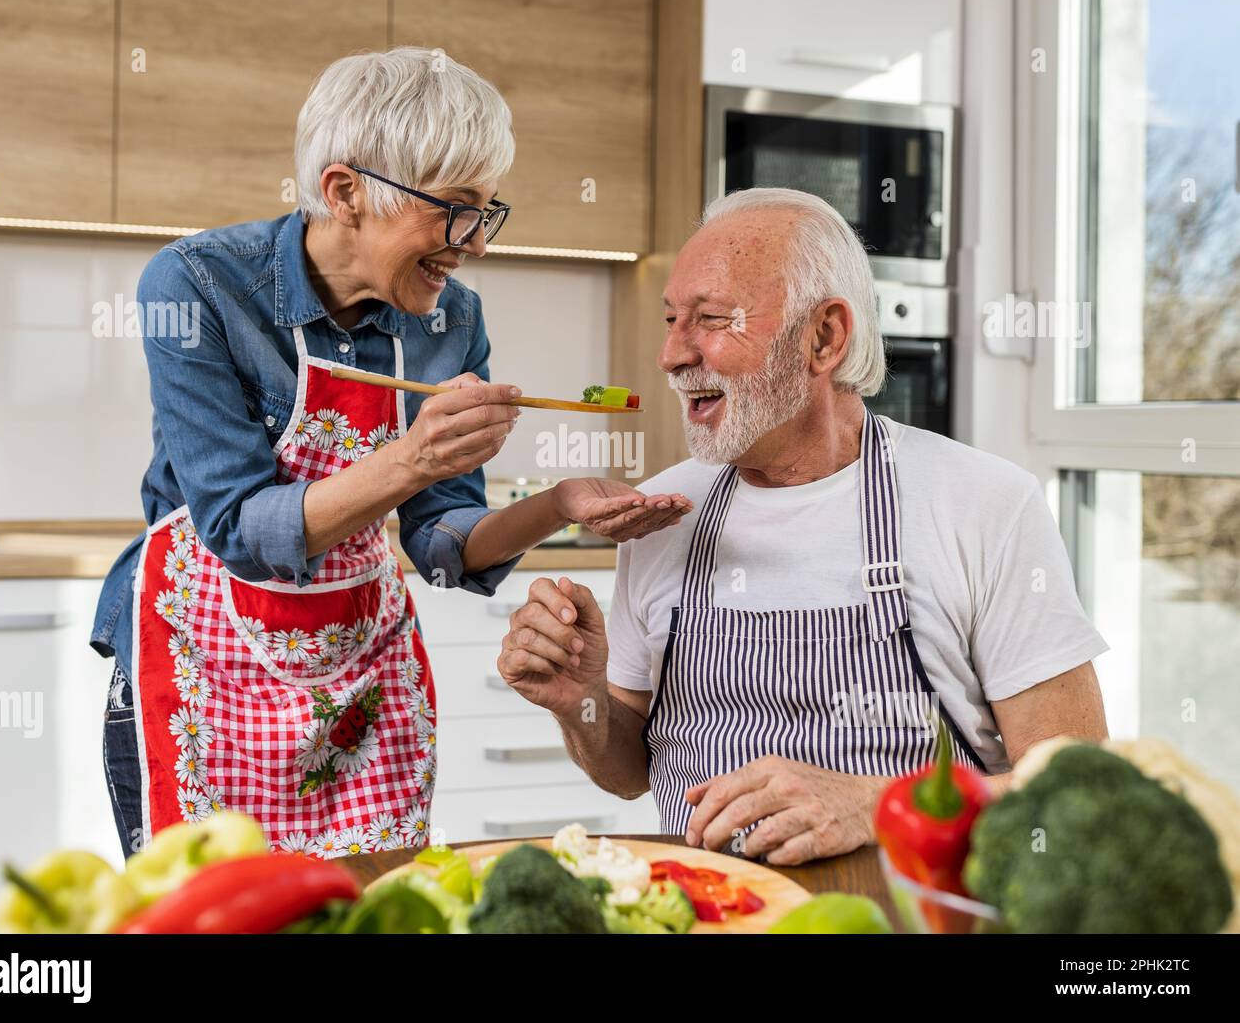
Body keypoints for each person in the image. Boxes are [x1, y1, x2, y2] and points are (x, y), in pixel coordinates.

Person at [90, 47, 689, 858]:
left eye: (485, 211)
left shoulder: (452, 319)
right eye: (454, 209)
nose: (473, 242)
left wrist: (555, 505)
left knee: (384, 903)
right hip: (207, 666)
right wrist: (413, 458)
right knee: (210, 908)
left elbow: (442, 549)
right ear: (345, 193)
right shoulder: (197, 285)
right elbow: (240, 529)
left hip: (361, 679)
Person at [496, 187, 1109, 864]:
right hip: (715, 907)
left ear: (825, 337)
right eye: (672, 320)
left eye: (711, 319)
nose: (672, 355)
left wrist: (877, 805)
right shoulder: (661, 512)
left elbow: (1080, 792)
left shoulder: (983, 504)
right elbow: (629, 772)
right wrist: (577, 702)